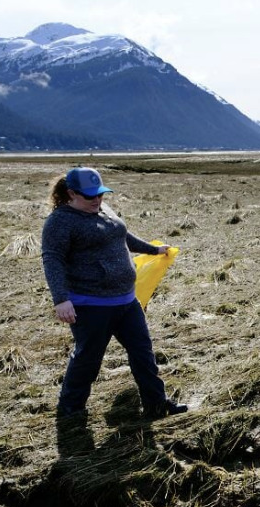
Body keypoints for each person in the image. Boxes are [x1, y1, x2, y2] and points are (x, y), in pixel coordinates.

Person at [41, 167, 187, 421]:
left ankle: (156, 404)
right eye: (89, 196)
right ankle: (71, 410)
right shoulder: (60, 222)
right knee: (88, 359)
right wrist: (61, 299)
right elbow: (53, 260)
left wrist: (153, 250)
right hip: (90, 305)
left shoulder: (102, 210)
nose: (97, 200)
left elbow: (122, 236)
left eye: (100, 194)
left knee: (143, 354)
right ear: (71, 193)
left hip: (126, 301)